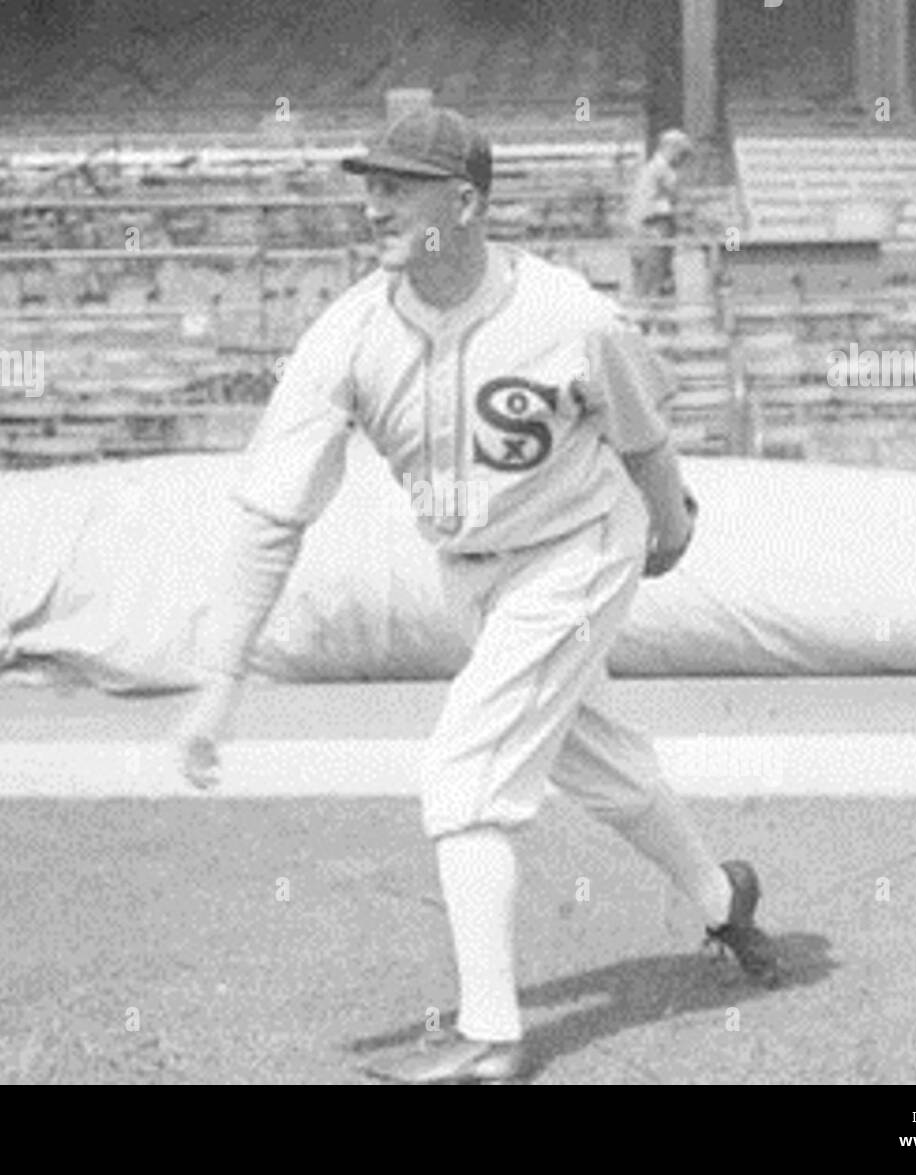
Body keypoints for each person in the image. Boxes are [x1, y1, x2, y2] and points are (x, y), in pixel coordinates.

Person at [174, 107, 779, 1085]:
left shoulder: (567, 313)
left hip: (578, 547)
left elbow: (642, 438)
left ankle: (490, 1036)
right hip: (471, 571)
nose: (374, 203)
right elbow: (267, 514)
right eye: (369, 183)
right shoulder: (349, 334)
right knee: (600, 766)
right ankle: (722, 901)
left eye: (398, 185)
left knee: (464, 773)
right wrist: (217, 684)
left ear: (463, 202)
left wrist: (667, 530)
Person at [627, 128, 694, 298]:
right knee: (649, 287)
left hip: (658, 234)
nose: (682, 161)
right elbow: (647, 205)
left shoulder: (660, 170)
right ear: (671, 148)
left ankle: (659, 320)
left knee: (661, 285)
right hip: (652, 234)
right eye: (681, 154)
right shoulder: (657, 171)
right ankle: (645, 320)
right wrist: (679, 210)